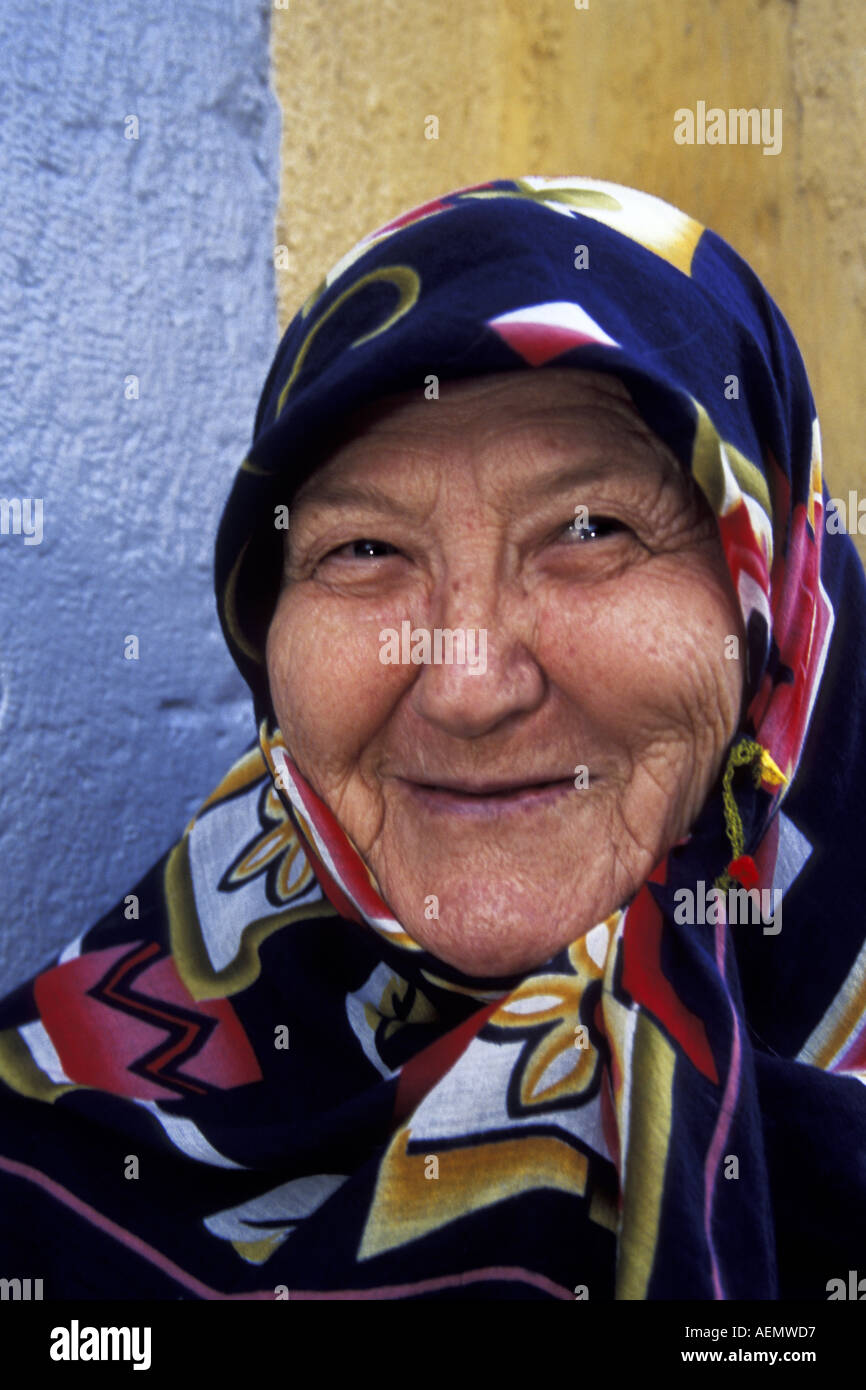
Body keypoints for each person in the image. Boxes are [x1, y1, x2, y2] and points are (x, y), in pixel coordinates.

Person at [1, 176, 864, 1301]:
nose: (467, 686)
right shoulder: (67, 1135)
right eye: (363, 550)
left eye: (590, 529)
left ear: (771, 605)